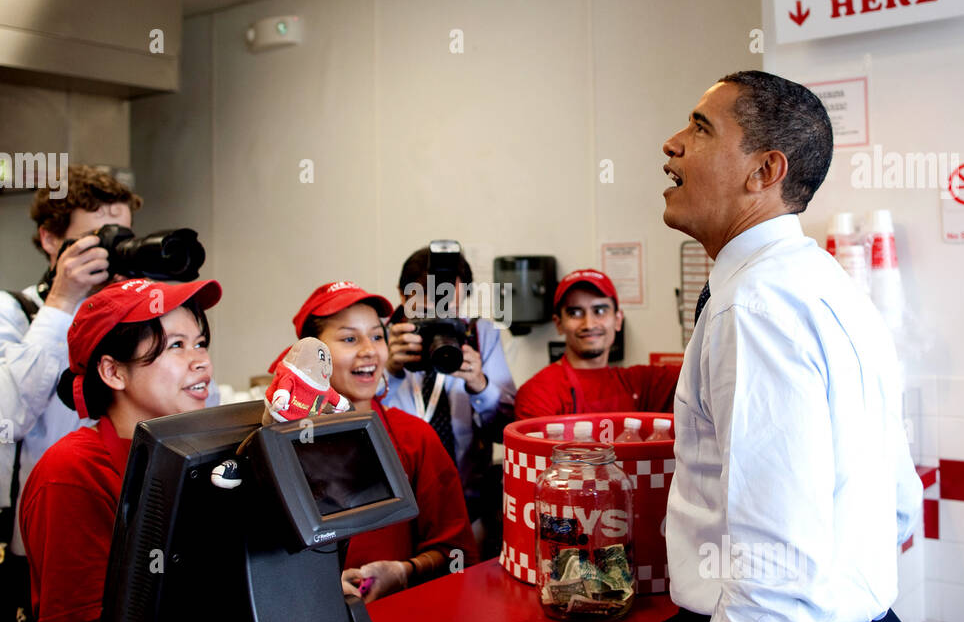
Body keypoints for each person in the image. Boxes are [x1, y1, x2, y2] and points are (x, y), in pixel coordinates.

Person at [660, 70, 921, 622]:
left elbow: (776, 565)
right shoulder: (823, 282)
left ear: (764, 171)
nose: (671, 145)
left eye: (699, 129)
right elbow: (898, 498)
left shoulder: (755, 309)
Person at [18, 276, 221, 622]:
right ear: (113, 372)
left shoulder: (201, 451)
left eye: (200, 343)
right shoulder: (71, 473)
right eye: (176, 346)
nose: (202, 361)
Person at [0, 165, 141, 556]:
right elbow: (6, 416)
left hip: (125, 534)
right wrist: (61, 304)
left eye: (119, 239)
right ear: (50, 238)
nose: (108, 254)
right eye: (94, 241)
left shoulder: (128, 320)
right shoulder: (4, 313)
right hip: (40, 542)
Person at [288, 281, 477, 602]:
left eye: (377, 336)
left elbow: (456, 554)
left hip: (398, 621)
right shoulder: (283, 442)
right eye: (350, 338)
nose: (369, 350)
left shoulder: (413, 437)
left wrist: (404, 572)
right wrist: (321, 587)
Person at [383, 247, 516, 557]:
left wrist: (480, 386)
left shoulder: (481, 334)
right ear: (403, 297)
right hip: (393, 512)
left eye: (449, 308)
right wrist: (388, 371)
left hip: (467, 505)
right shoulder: (378, 337)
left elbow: (507, 429)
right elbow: (355, 416)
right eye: (428, 311)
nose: (440, 318)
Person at [513, 269, 680, 418]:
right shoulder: (538, 394)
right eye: (575, 313)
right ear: (559, 324)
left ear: (618, 319)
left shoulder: (642, 384)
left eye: (599, 311)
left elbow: (701, 374)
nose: (589, 324)